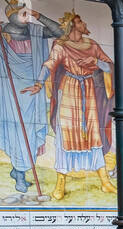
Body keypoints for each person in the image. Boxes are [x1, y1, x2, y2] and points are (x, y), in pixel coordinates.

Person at [22, 11, 115, 200]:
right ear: (72, 26)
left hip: (88, 90)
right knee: (66, 136)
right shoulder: (61, 46)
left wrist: (95, 61)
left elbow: (109, 66)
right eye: (80, 21)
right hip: (70, 90)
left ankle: (105, 181)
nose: (83, 24)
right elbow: (49, 64)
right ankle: (60, 184)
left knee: (93, 133)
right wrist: (39, 82)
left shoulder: (93, 45)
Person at [0, 0, 62, 193]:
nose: (26, 16)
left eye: (27, 12)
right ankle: (21, 175)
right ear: (11, 15)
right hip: (11, 89)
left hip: (33, 90)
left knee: (31, 132)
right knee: (16, 132)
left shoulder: (35, 32)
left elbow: (59, 31)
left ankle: (18, 170)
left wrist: (37, 14)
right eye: (22, 13)